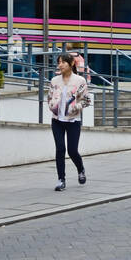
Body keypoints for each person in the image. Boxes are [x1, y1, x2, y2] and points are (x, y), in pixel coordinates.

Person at [47, 52, 89, 191]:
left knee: (72, 151)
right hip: (57, 120)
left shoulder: (80, 81)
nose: (60, 65)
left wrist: (74, 108)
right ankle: (61, 180)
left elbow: (86, 101)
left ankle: (80, 169)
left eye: (63, 62)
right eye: (59, 62)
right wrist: (52, 106)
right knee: (60, 149)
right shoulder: (54, 81)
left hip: (73, 121)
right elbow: (49, 97)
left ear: (71, 64)